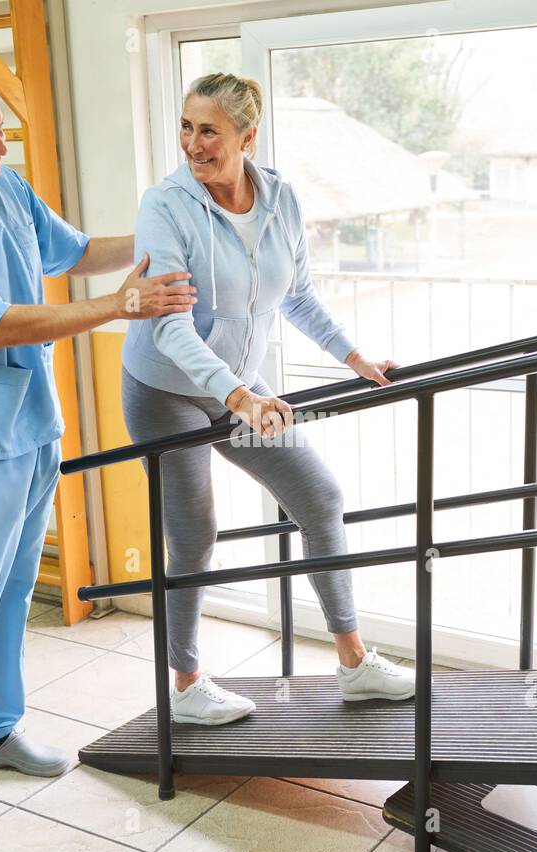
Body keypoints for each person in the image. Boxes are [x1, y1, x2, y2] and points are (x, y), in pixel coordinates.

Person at [0, 64, 195, 843]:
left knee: (17, 590)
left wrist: (168, 236)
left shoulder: (8, 184)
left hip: (34, 426)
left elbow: (78, 250)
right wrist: (120, 306)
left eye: (0, 128)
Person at [123, 72, 416, 726]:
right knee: (194, 536)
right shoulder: (164, 206)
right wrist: (239, 396)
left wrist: (353, 355)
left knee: (318, 495)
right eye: (187, 126)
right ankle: (189, 681)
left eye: (209, 131)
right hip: (167, 389)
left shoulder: (280, 199)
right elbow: (167, 325)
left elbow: (299, 294)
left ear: (247, 136)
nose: (193, 144)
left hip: (236, 387)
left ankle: (354, 662)